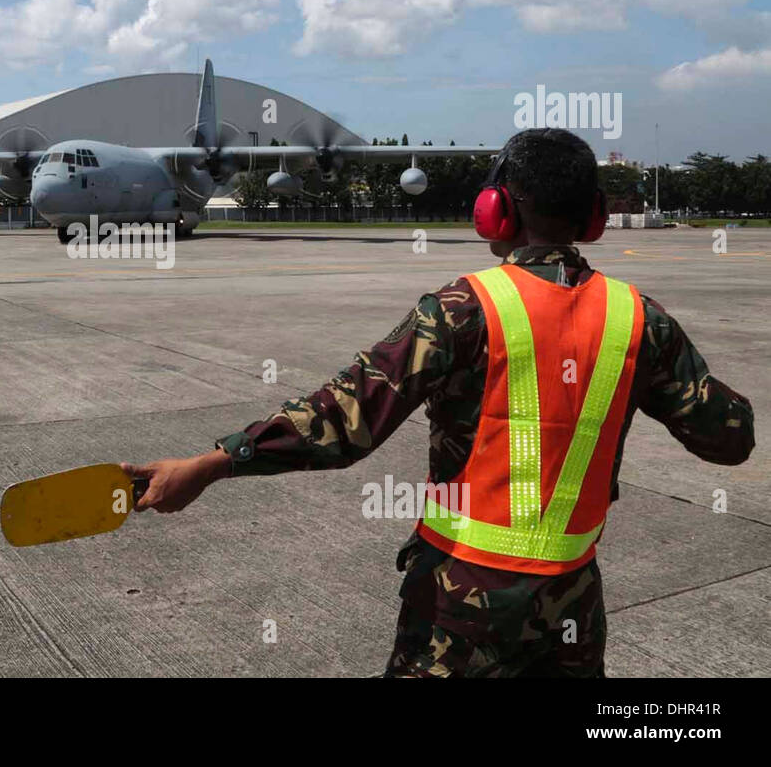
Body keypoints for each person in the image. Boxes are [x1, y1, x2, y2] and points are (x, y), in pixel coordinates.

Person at [123, 128, 754, 677]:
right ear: (594, 216)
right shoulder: (639, 319)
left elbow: (345, 421)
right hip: (572, 603)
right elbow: (729, 438)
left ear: (498, 209)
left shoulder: (463, 308)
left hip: (463, 598)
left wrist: (211, 464)